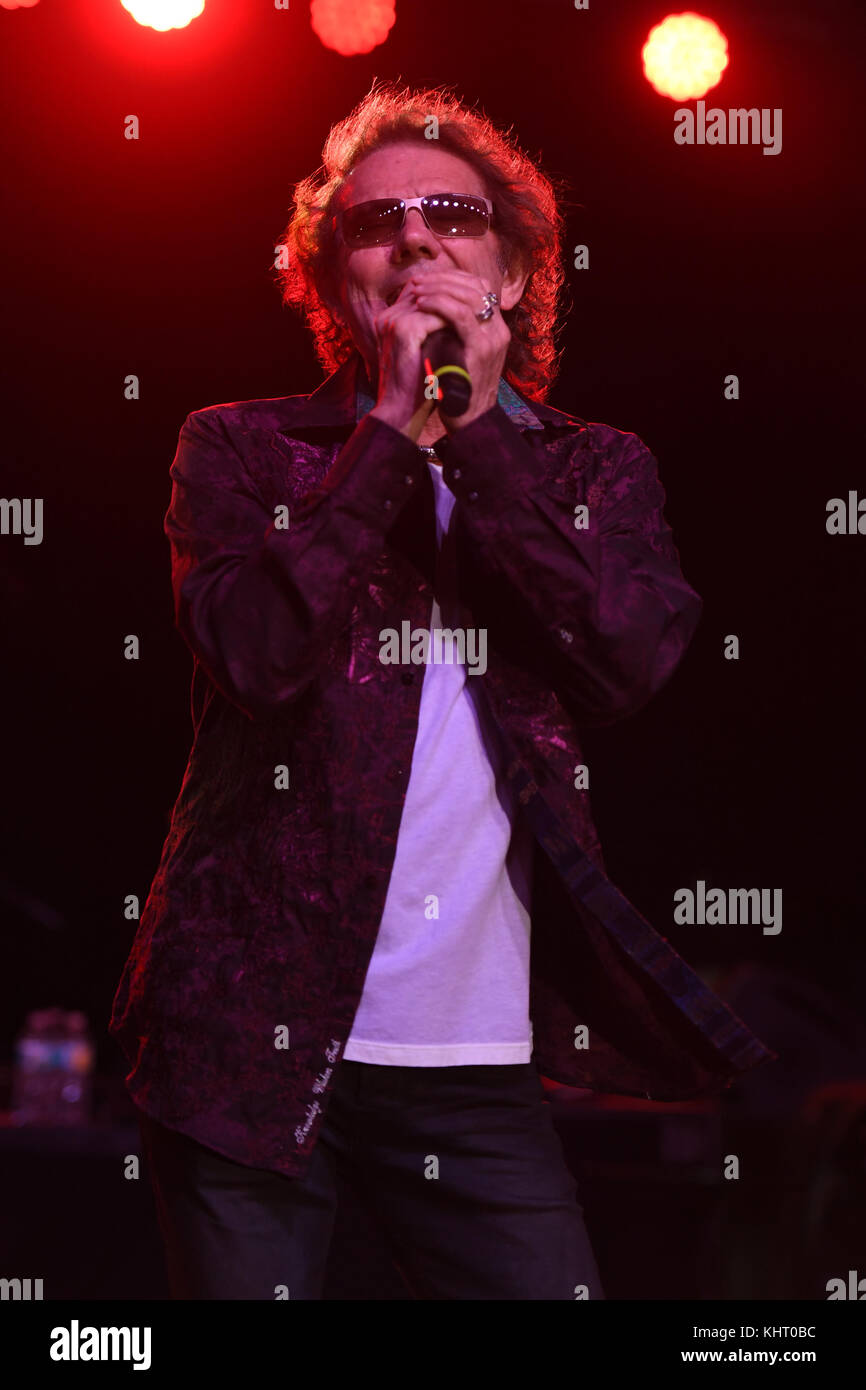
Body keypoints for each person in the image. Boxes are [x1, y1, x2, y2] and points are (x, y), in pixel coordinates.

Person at [109, 79, 774, 1300]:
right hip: (247, 1047)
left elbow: (624, 656)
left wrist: (470, 436)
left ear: (515, 277)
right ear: (331, 284)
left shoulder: (593, 468)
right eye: (375, 225)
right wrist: (385, 433)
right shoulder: (242, 450)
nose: (414, 238)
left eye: (450, 216)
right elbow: (255, 651)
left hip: (471, 1064)